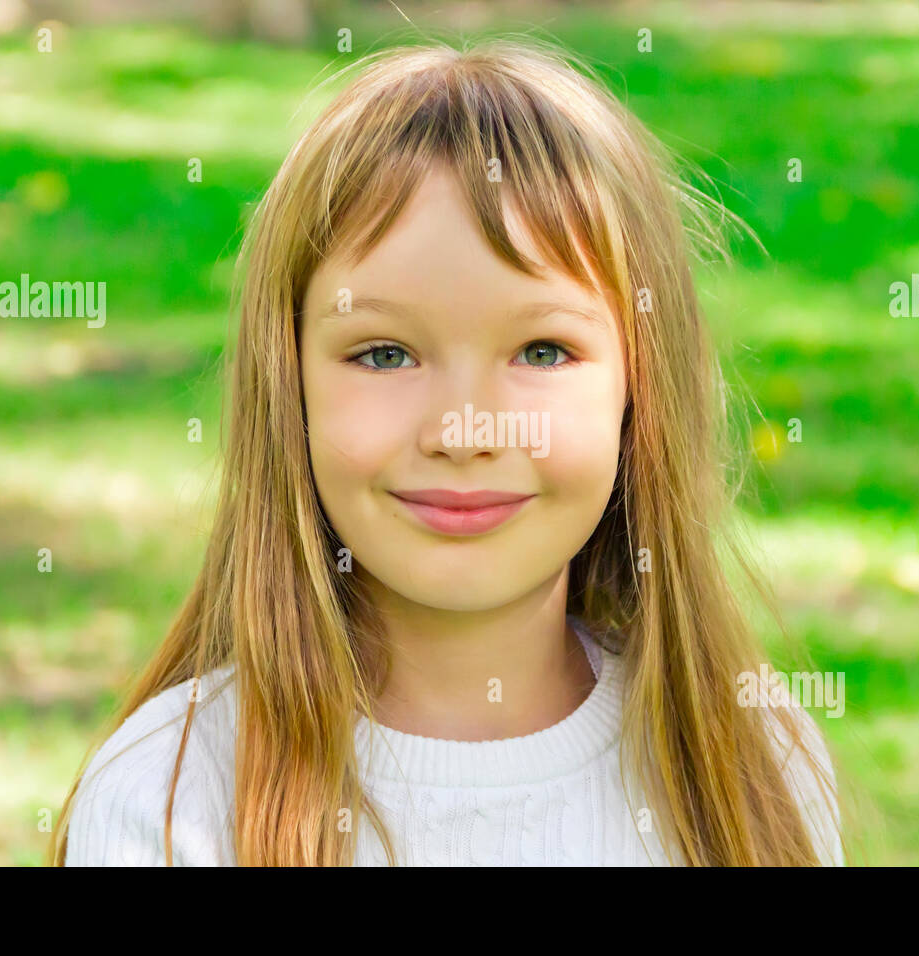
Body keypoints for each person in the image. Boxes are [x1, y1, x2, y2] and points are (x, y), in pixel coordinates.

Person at [53, 36, 844, 867]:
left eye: (541, 352)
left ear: (638, 391)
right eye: (385, 354)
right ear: (290, 391)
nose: (465, 431)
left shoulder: (749, 769)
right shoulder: (171, 804)